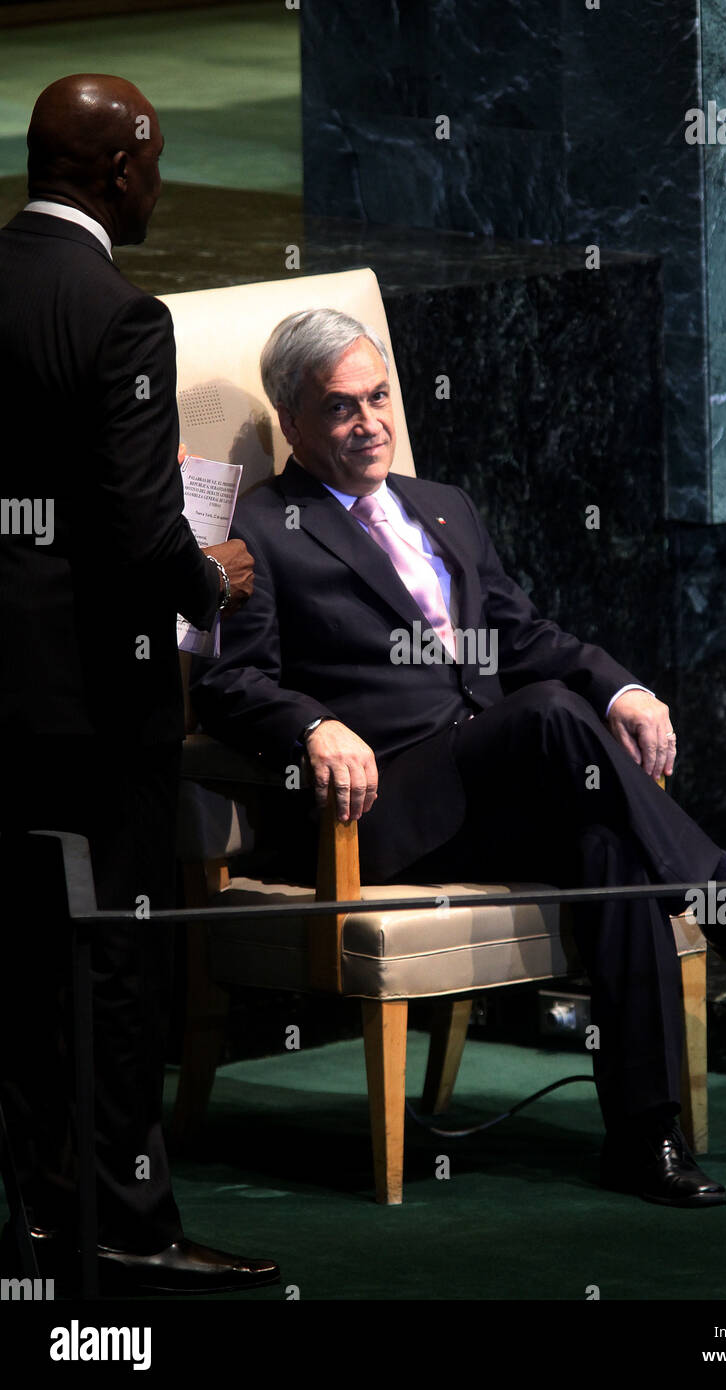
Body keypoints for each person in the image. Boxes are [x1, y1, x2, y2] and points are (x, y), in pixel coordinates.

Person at [190, 308, 726, 1210]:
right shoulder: (260, 530)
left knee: (612, 851)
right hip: (383, 810)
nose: (371, 423)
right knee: (549, 715)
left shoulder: (443, 505)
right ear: (293, 418)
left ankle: (646, 1137)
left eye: (379, 397)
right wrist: (313, 725)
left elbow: (525, 635)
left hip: (495, 795)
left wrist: (624, 689)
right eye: (340, 409)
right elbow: (230, 682)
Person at [0, 74, 278, 1292]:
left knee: (19, 958)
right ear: (121, 174)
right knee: (113, 958)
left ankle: (45, 1213)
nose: (158, 187)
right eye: (153, 166)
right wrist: (210, 577)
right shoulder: (118, 314)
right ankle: (129, 1224)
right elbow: (130, 520)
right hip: (89, 706)